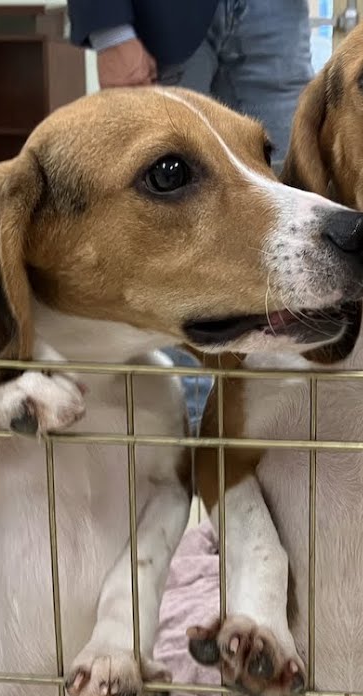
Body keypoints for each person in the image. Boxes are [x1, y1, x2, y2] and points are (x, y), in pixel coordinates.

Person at [68, 0, 316, 432]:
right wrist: (110, 30)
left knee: (289, 209)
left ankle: (271, 438)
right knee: (167, 227)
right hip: (163, 18)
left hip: (280, 11)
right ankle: (195, 441)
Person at [67, 0, 314, 174]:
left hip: (282, 14)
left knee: (285, 176)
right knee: (165, 185)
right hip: (158, 19)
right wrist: (111, 34)